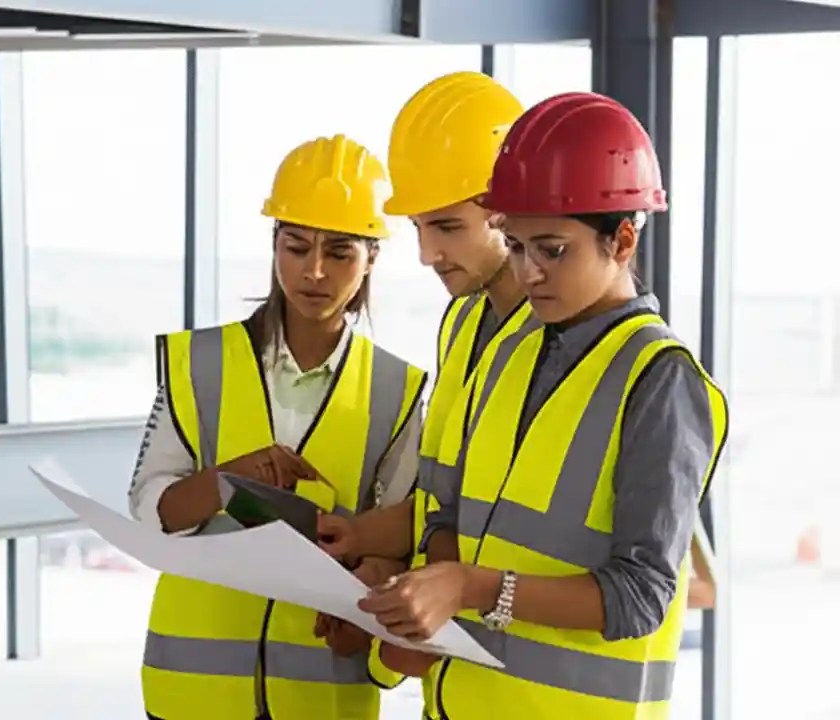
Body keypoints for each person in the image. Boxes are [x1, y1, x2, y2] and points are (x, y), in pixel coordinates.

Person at [352, 92, 730, 719]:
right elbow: (449, 510)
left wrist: (469, 588)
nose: (529, 273)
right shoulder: (511, 350)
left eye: (553, 249)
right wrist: (418, 603)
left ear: (624, 240)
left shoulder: (661, 381)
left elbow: (641, 597)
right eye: (518, 246)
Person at [128, 134, 430, 720]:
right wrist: (225, 482)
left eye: (340, 252)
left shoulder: (399, 391)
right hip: (194, 692)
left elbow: (405, 540)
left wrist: (369, 609)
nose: (314, 271)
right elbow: (147, 515)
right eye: (296, 247)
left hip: (325, 689)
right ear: (274, 246)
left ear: (372, 258)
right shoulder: (200, 365)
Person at [313, 71, 531, 681]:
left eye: (447, 227)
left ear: (505, 213)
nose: (427, 254)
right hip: (459, 686)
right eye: (418, 228)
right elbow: (449, 504)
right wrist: (363, 544)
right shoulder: (462, 322)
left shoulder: (559, 348)